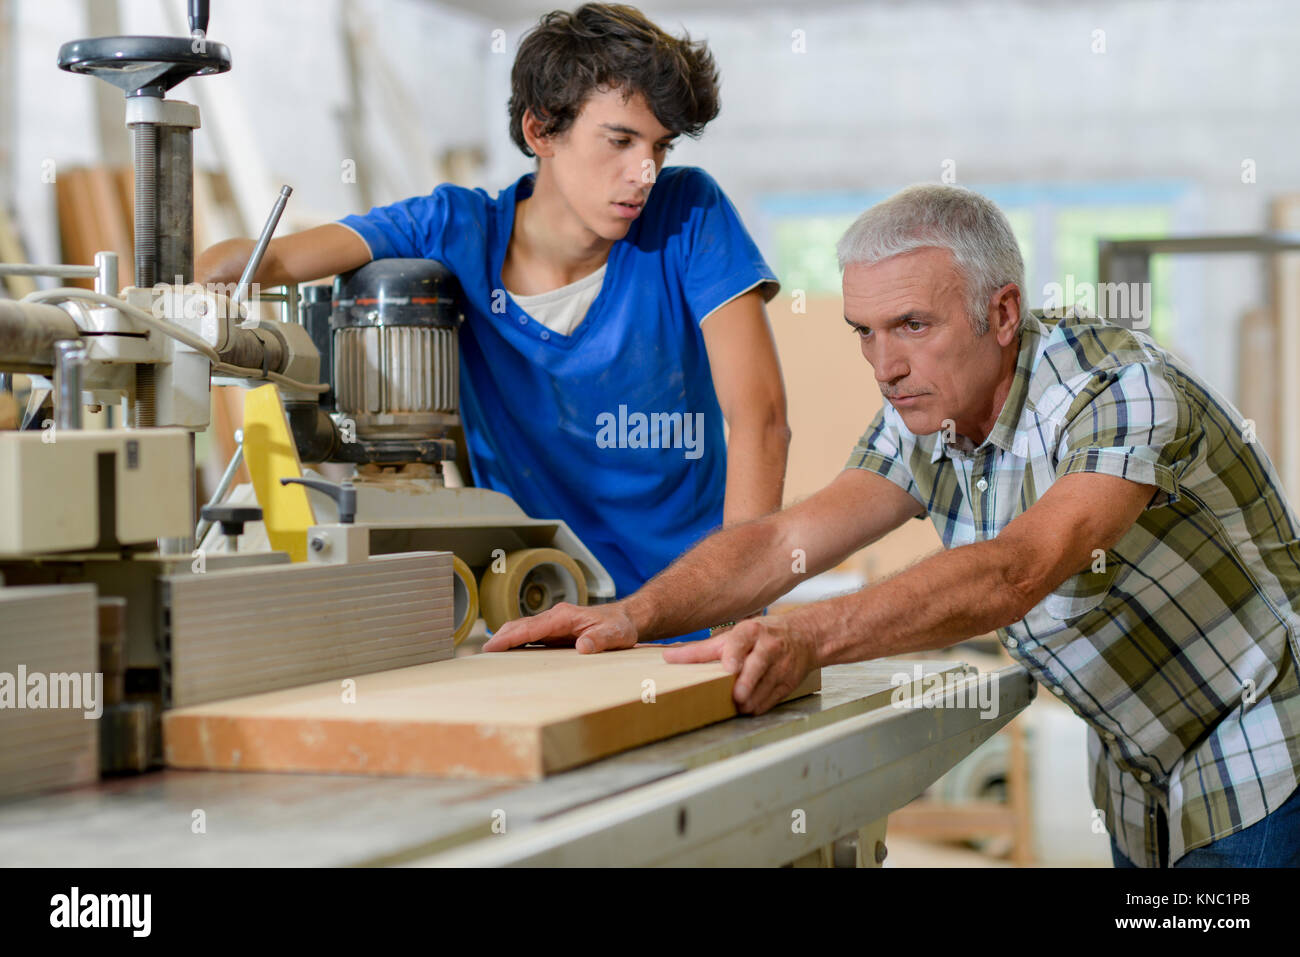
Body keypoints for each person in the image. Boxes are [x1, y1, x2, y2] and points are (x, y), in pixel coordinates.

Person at [485, 183, 1300, 867]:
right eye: (864, 333)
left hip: (1265, 749)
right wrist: (631, 612)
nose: (885, 365)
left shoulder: (1120, 392)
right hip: (1141, 775)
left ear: (1003, 311)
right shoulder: (921, 416)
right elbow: (781, 542)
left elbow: (1017, 568)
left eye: (913, 325)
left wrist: (807, 637)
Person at [195, 4, 790, 639]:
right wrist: (193, 281)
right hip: (542, 610)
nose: (644, 172)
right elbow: (272, 258)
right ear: (541, 131)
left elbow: (761, 420)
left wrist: (737, 606)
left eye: (659, 146)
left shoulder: (688, 213)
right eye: (620, 140)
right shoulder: (456, 228)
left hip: (693, 617)